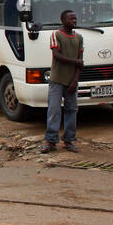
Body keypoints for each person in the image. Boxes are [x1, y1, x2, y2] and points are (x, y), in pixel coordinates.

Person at [41, 10, 83, 153]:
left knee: (72, 110)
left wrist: (75, 81)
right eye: (71, 18)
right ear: (63, 20)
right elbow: (56, 55)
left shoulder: (79, 37)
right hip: (57, 80)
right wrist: (76, 61)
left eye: (75, 18)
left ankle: (69, 140)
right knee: (54, 110)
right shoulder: (56, 35)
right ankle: (51, 140)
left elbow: (80, 63)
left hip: (71, 80)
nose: (74, 21)